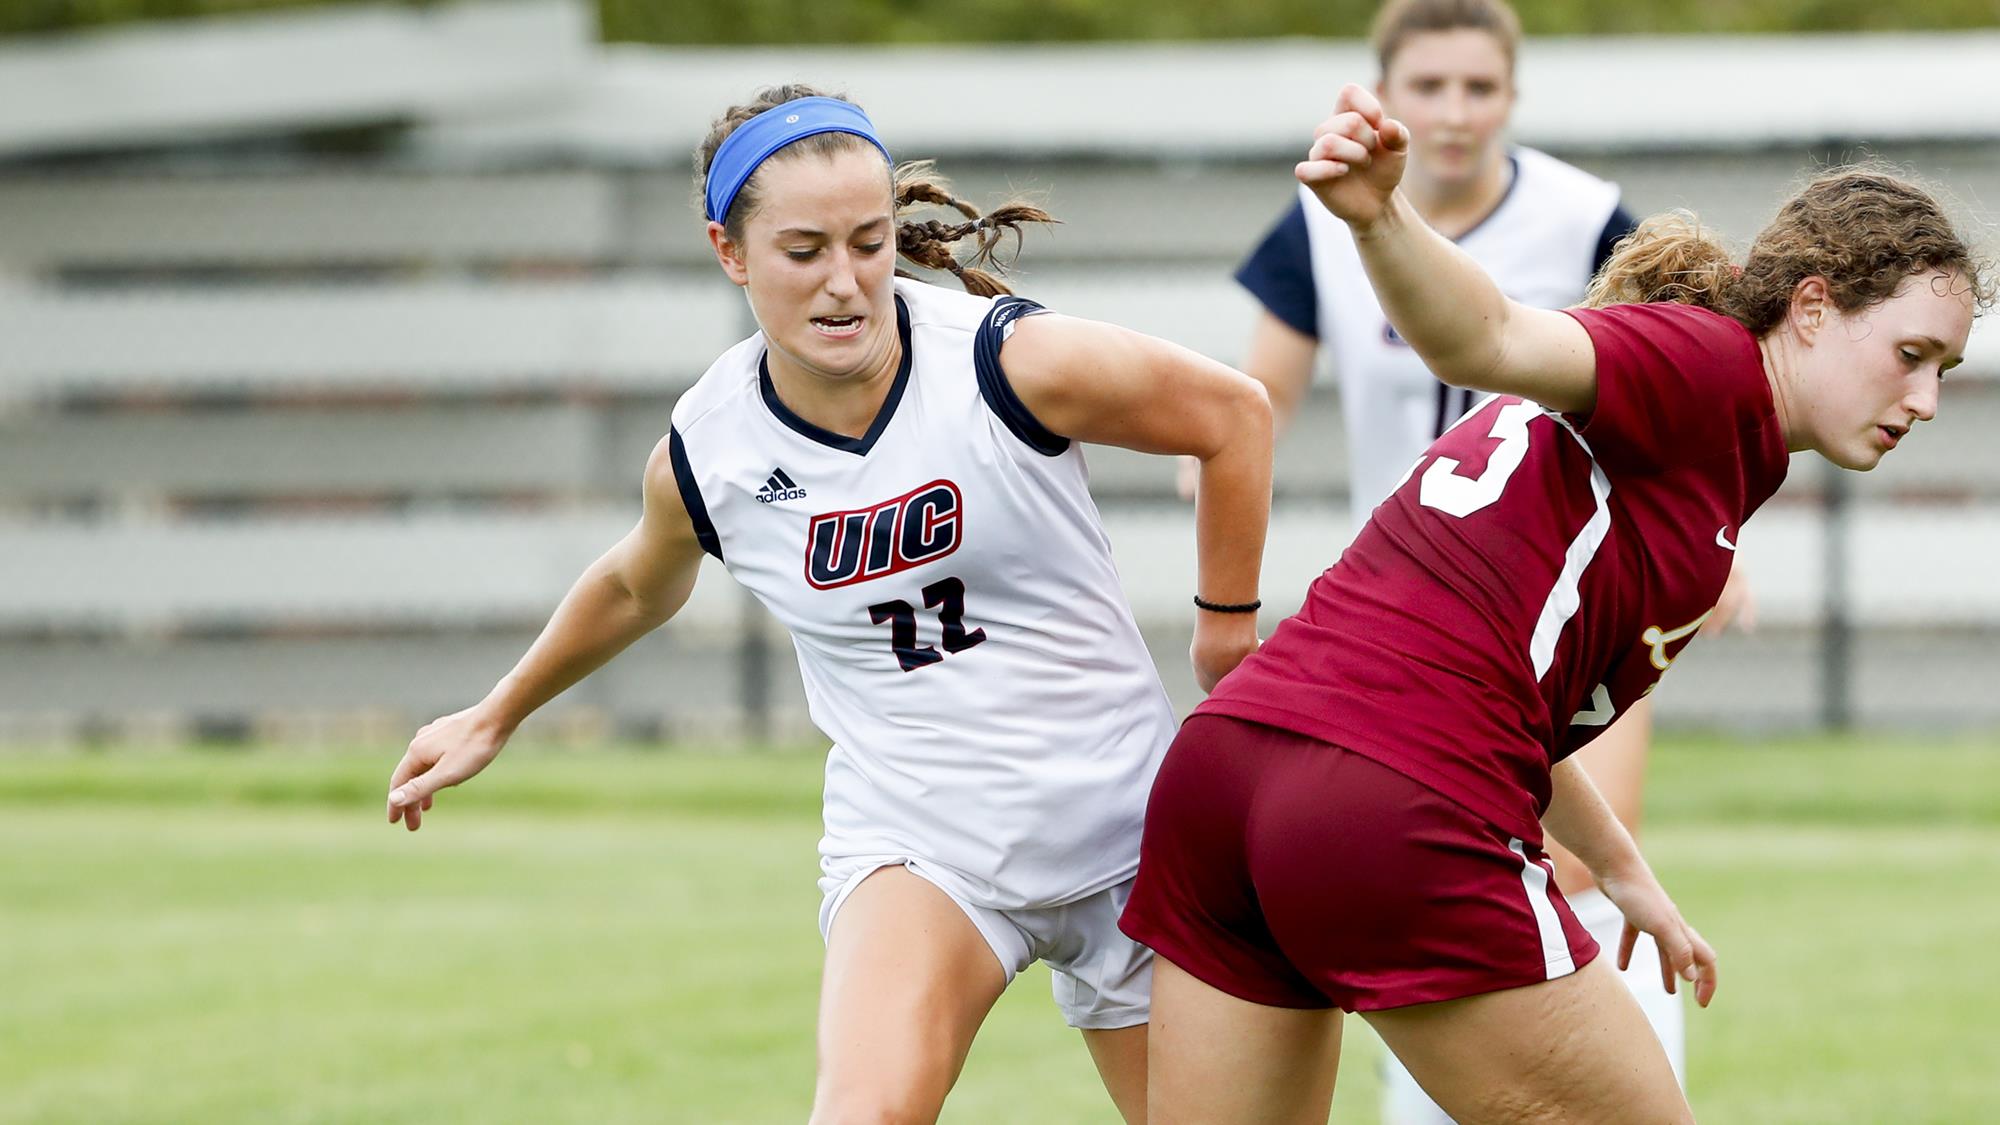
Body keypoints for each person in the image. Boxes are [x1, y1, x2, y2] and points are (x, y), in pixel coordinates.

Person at [382, 85, 1273, 1123]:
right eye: (803, 251)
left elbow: (1233, 416)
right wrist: (496, 711)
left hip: (1131, 828)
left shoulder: (1004, 363)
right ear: (731, 252)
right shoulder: (709, 451)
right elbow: (635, 581)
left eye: (868, 242)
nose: (846, 283)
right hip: (923, 847)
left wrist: (1225, 630)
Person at [1121, 82, 1985, 1124]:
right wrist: (1379, 217)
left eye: (1942, 368)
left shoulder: (1701, 434)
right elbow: (1478, 338)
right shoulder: (1704, 367)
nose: (1925, 399)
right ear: (1808, 308)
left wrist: (1621, 869)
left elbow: (1503, 689)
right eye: (1907, 355)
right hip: (1390, 796)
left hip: (1229, 774)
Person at [1226, 2, 1740, 1112]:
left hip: (1574, 609)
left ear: (1510, 95)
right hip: (1407, 622)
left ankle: (1603, 1071)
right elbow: (1250, 404)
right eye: (1428, 87)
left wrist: (1719, 544)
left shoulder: (1584, 218)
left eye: (1478, 88)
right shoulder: (1323, 217)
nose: (1453, 114)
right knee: (1420, 872)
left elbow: (1691, 390)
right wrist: (1218, 489)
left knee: (1575, 865)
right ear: (1384, 92)